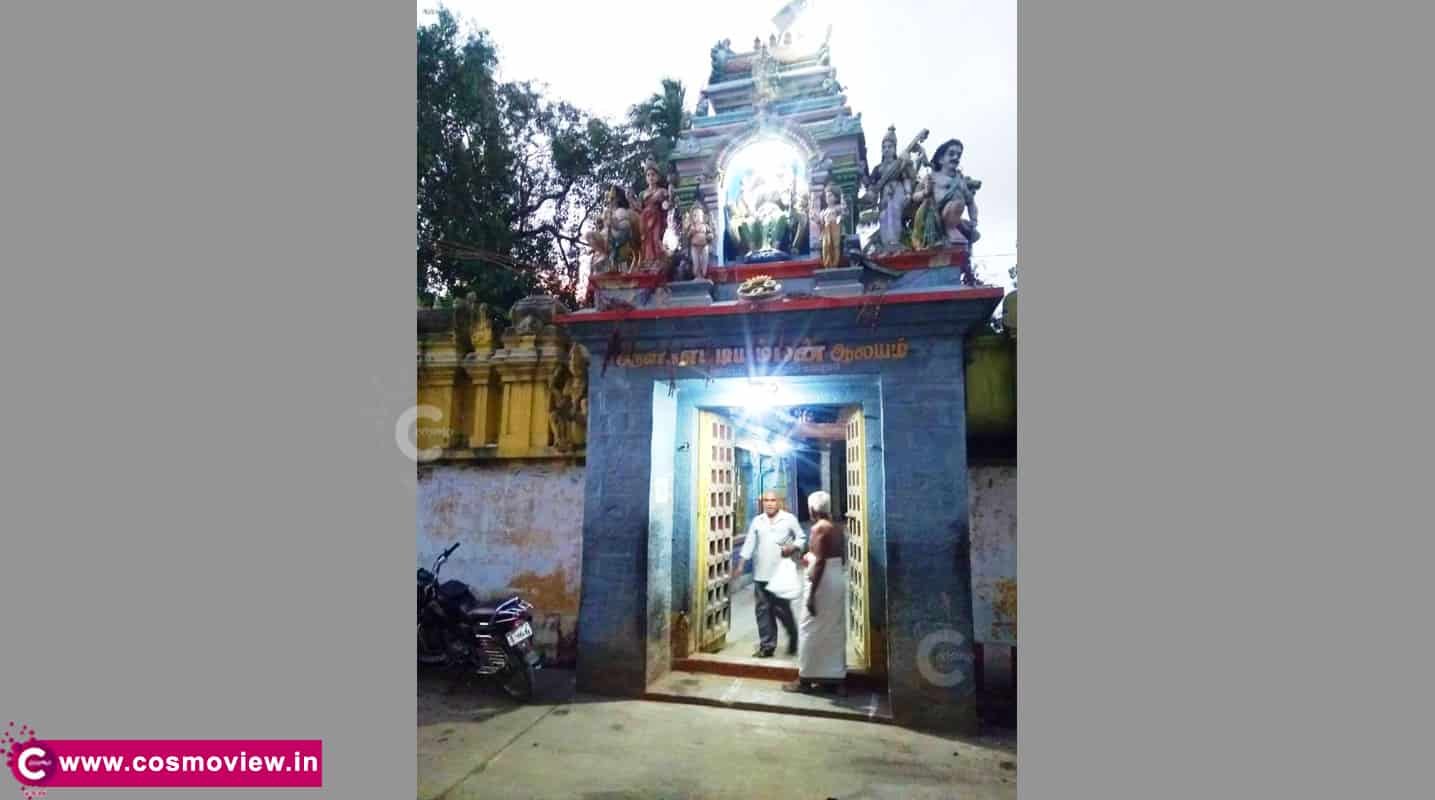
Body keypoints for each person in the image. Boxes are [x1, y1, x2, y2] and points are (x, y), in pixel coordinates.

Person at [785, 491, 847, 695]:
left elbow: (820, 562)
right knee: (833, 630)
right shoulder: (837, 528)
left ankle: (805, 678)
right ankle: (834, 678)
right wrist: (810, 557)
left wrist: (812, 595)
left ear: (812, 509)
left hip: (822, 583)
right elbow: (831, 556)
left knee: (809, 628)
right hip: (835, 578)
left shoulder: (819, 528)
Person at [733, 490, 805, 657]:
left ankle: (793, 635)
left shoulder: (788, 519)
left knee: (782, 610)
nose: (769, 503)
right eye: (766, 500)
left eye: (773, 500)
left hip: (780, 575)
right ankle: (767, 646)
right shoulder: (758, 521)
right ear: (762, 503)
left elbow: (801, 538)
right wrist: (740, 565)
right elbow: (749, 544)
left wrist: (793, 547)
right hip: (761, 574)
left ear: (778, 502)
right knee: (763, 611)